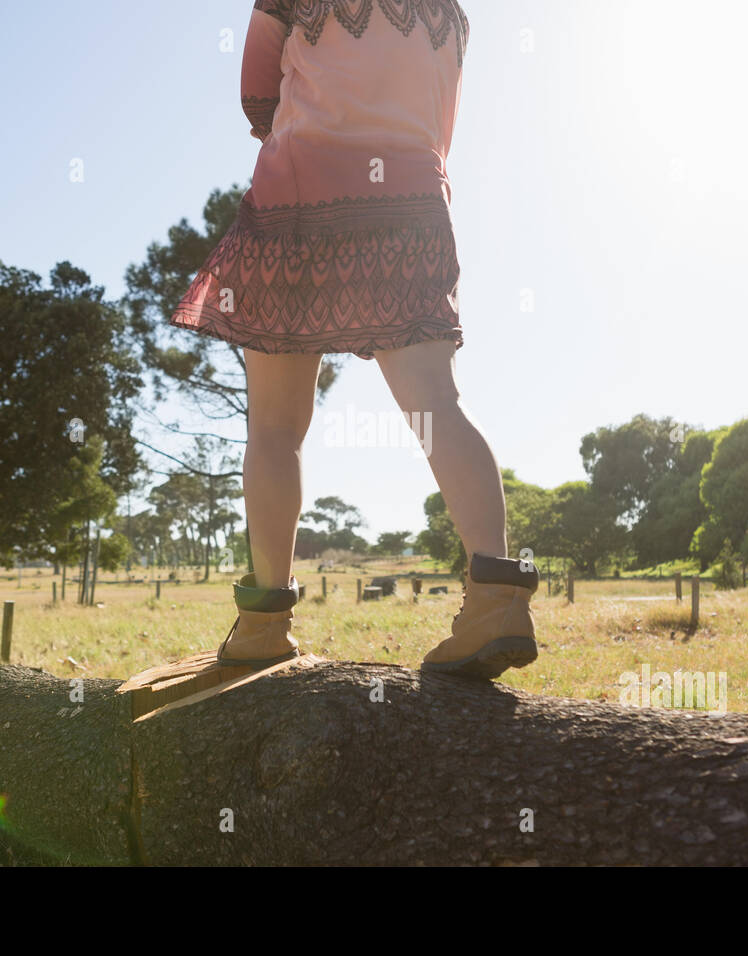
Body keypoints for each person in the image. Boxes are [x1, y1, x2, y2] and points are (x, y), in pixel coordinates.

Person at [168, 0, 537, 680]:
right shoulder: (451, 12)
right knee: (436, 407)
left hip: (298, 200)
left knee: (276, 430)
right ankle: (499, 603)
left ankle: (262, 626)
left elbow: (256, 101)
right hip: (414, 205)